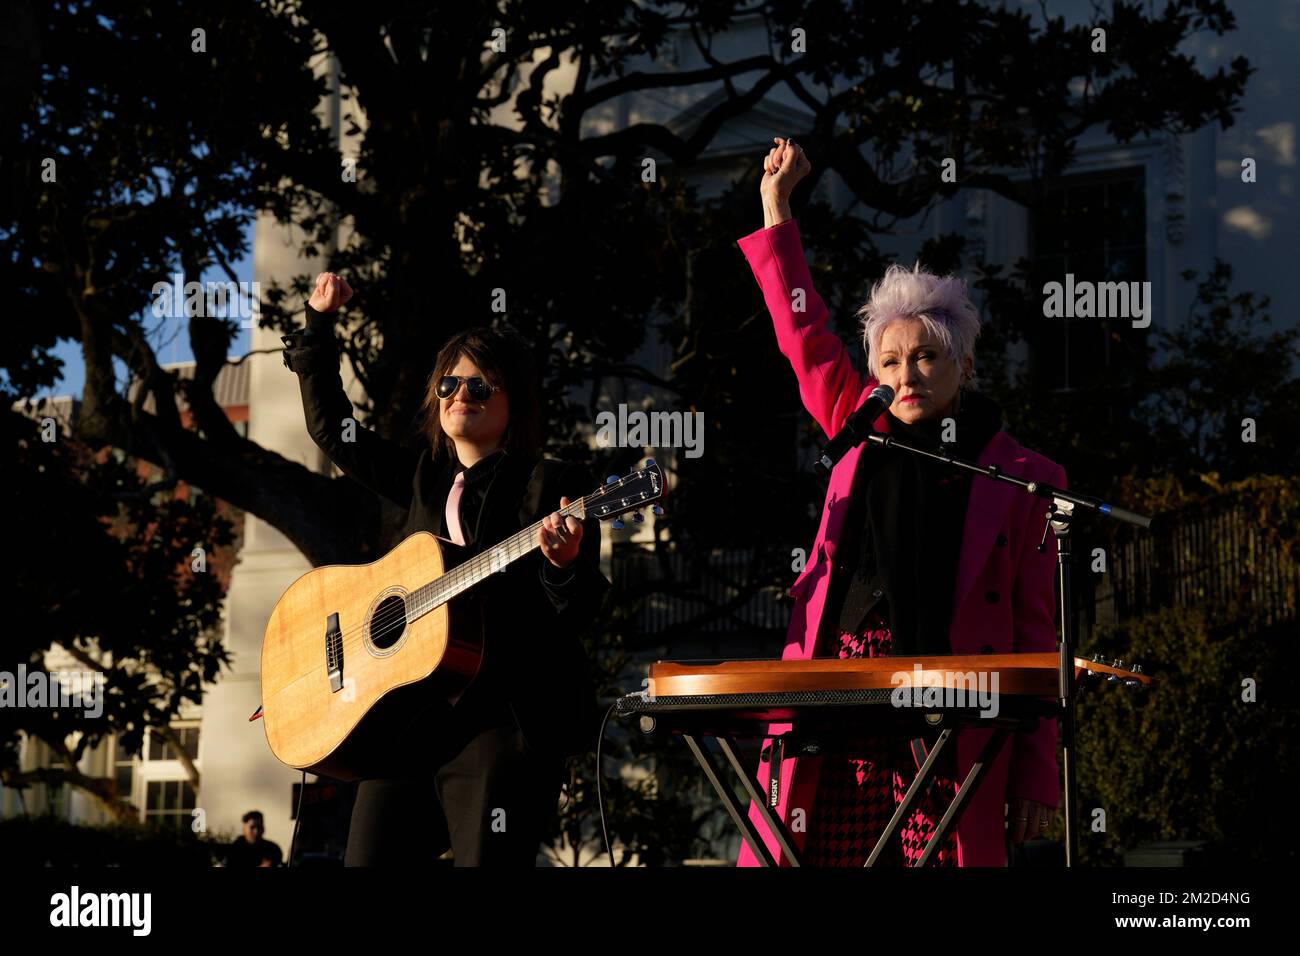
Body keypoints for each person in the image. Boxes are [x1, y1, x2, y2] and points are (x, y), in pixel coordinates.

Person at [735, 138, 1066, 867]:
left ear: (965, 365)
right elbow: (803, 334)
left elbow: (1040, 632)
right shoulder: (858, 427)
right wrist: (776, 205)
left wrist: (1039, 771)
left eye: (926, 356)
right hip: (840, 700)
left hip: (952, 716)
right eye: (889, 361)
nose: (906, 374)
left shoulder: (1025, 476)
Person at [280, 273, 609, 866]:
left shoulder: (553, 485)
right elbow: (333, 428)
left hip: (501, 723)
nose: (462, 395)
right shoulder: (420, 478)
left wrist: (561, 565)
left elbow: (581, 608)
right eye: (450, 384)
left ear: (514, 403)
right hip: (405, 721)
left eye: (481, 386)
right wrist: (320, 322)